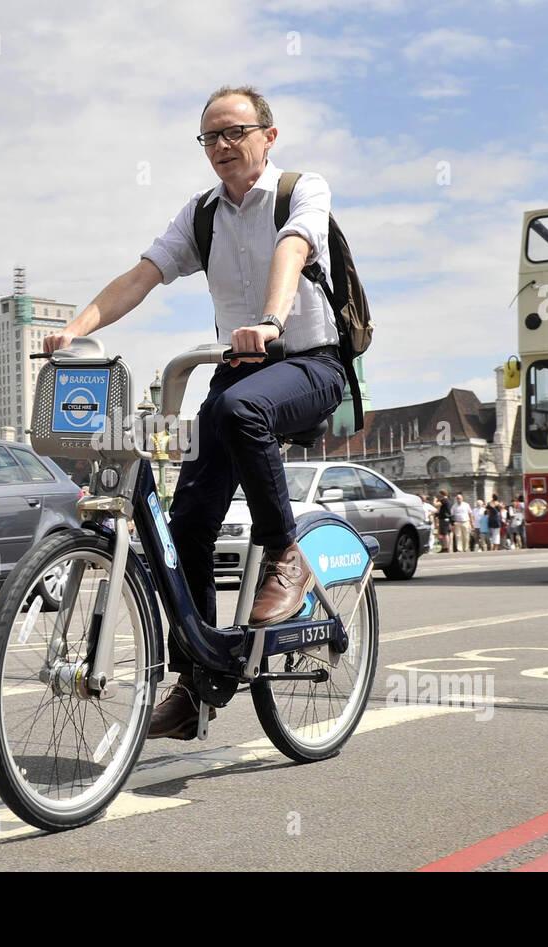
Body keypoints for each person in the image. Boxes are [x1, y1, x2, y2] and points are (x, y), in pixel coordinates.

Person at [42, 85, 346, 740]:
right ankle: (198, 680)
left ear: (269, 133)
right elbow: (142, 274)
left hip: (310, 364)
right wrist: (75, 329)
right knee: (184, 527)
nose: (222, 147)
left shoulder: (301, 191)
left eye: (235, 132)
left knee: (240, 409)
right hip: (238, 370)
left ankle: (286, 556)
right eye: (210, 137)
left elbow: (294, 250)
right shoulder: (202, 215)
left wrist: (268, 320)